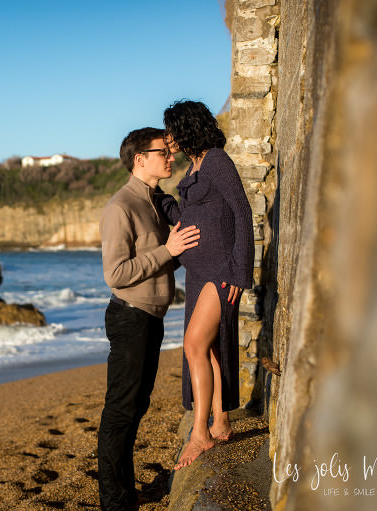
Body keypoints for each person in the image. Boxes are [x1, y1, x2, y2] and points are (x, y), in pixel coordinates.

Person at [98, 127, 200, 510]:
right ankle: (115, 501)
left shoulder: (155, 201)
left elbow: (159, 259)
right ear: (140, 159)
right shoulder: (120, 206)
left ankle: (123, 492)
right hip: (130, 318)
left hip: (151, 317)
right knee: (121, 410)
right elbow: (117, 274)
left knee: (136, 406)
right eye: (163, 153)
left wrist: (177, 250)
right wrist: (167, 249)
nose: (170, 158)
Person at [156, 100, 254, 470]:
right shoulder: (195, 165)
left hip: (220, 271)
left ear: (187, 128)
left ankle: (200, 433)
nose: (168, 140)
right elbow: (189, 216)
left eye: (172, 131)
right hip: (198, 274)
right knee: (209, 348)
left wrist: (240, 272)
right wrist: (161, 200)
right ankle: (221, 420)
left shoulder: (216, 160)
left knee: (194, 344)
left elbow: (241, 212)